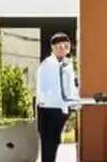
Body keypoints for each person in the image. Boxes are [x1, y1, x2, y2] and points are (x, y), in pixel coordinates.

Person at [36, 32, 80, 162]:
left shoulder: (68, 65)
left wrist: (75, 103)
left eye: (64, 46)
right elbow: (41, 87)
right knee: (48, 144)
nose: (61, 48)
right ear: (52, 48)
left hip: (62, 108)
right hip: (49, 109)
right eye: (58, 46)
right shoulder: (47, 64)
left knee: (55, 142)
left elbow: (71, 87)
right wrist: (42, 104)